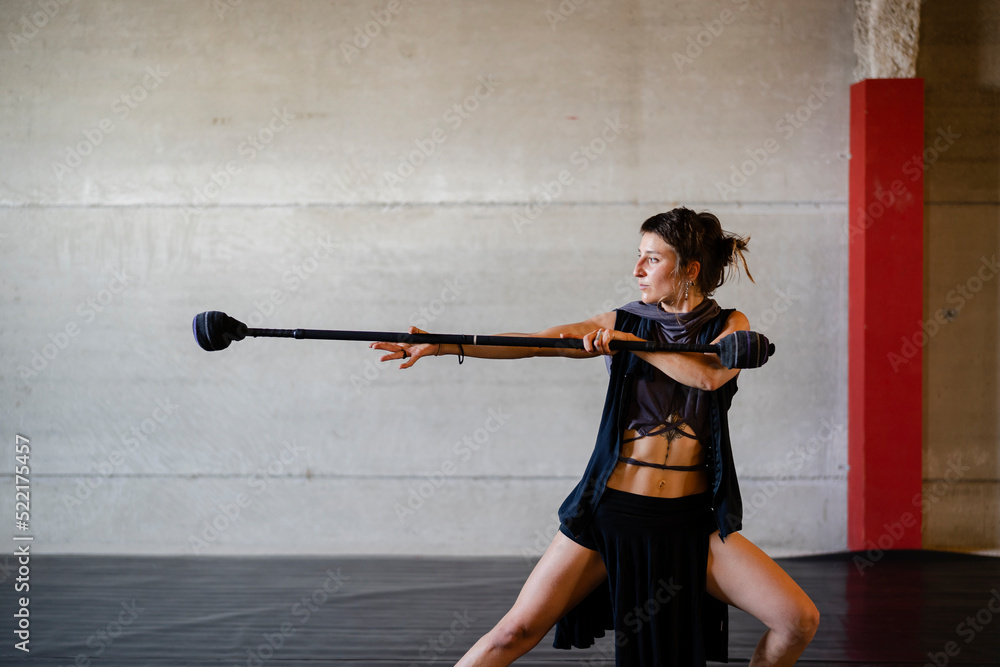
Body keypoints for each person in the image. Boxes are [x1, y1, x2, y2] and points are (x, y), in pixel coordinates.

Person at [371, 208, 820, 666]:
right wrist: (444, 344)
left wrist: (630, 345)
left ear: (690, 269)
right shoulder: (622, 320)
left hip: (689, 522)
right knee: (513, 632)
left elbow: (708, 377)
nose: (637, 269)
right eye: (638, 256)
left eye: (652, 259)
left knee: (798, 620)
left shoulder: (729, 324)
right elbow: (536, 341)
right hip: (612, 512)